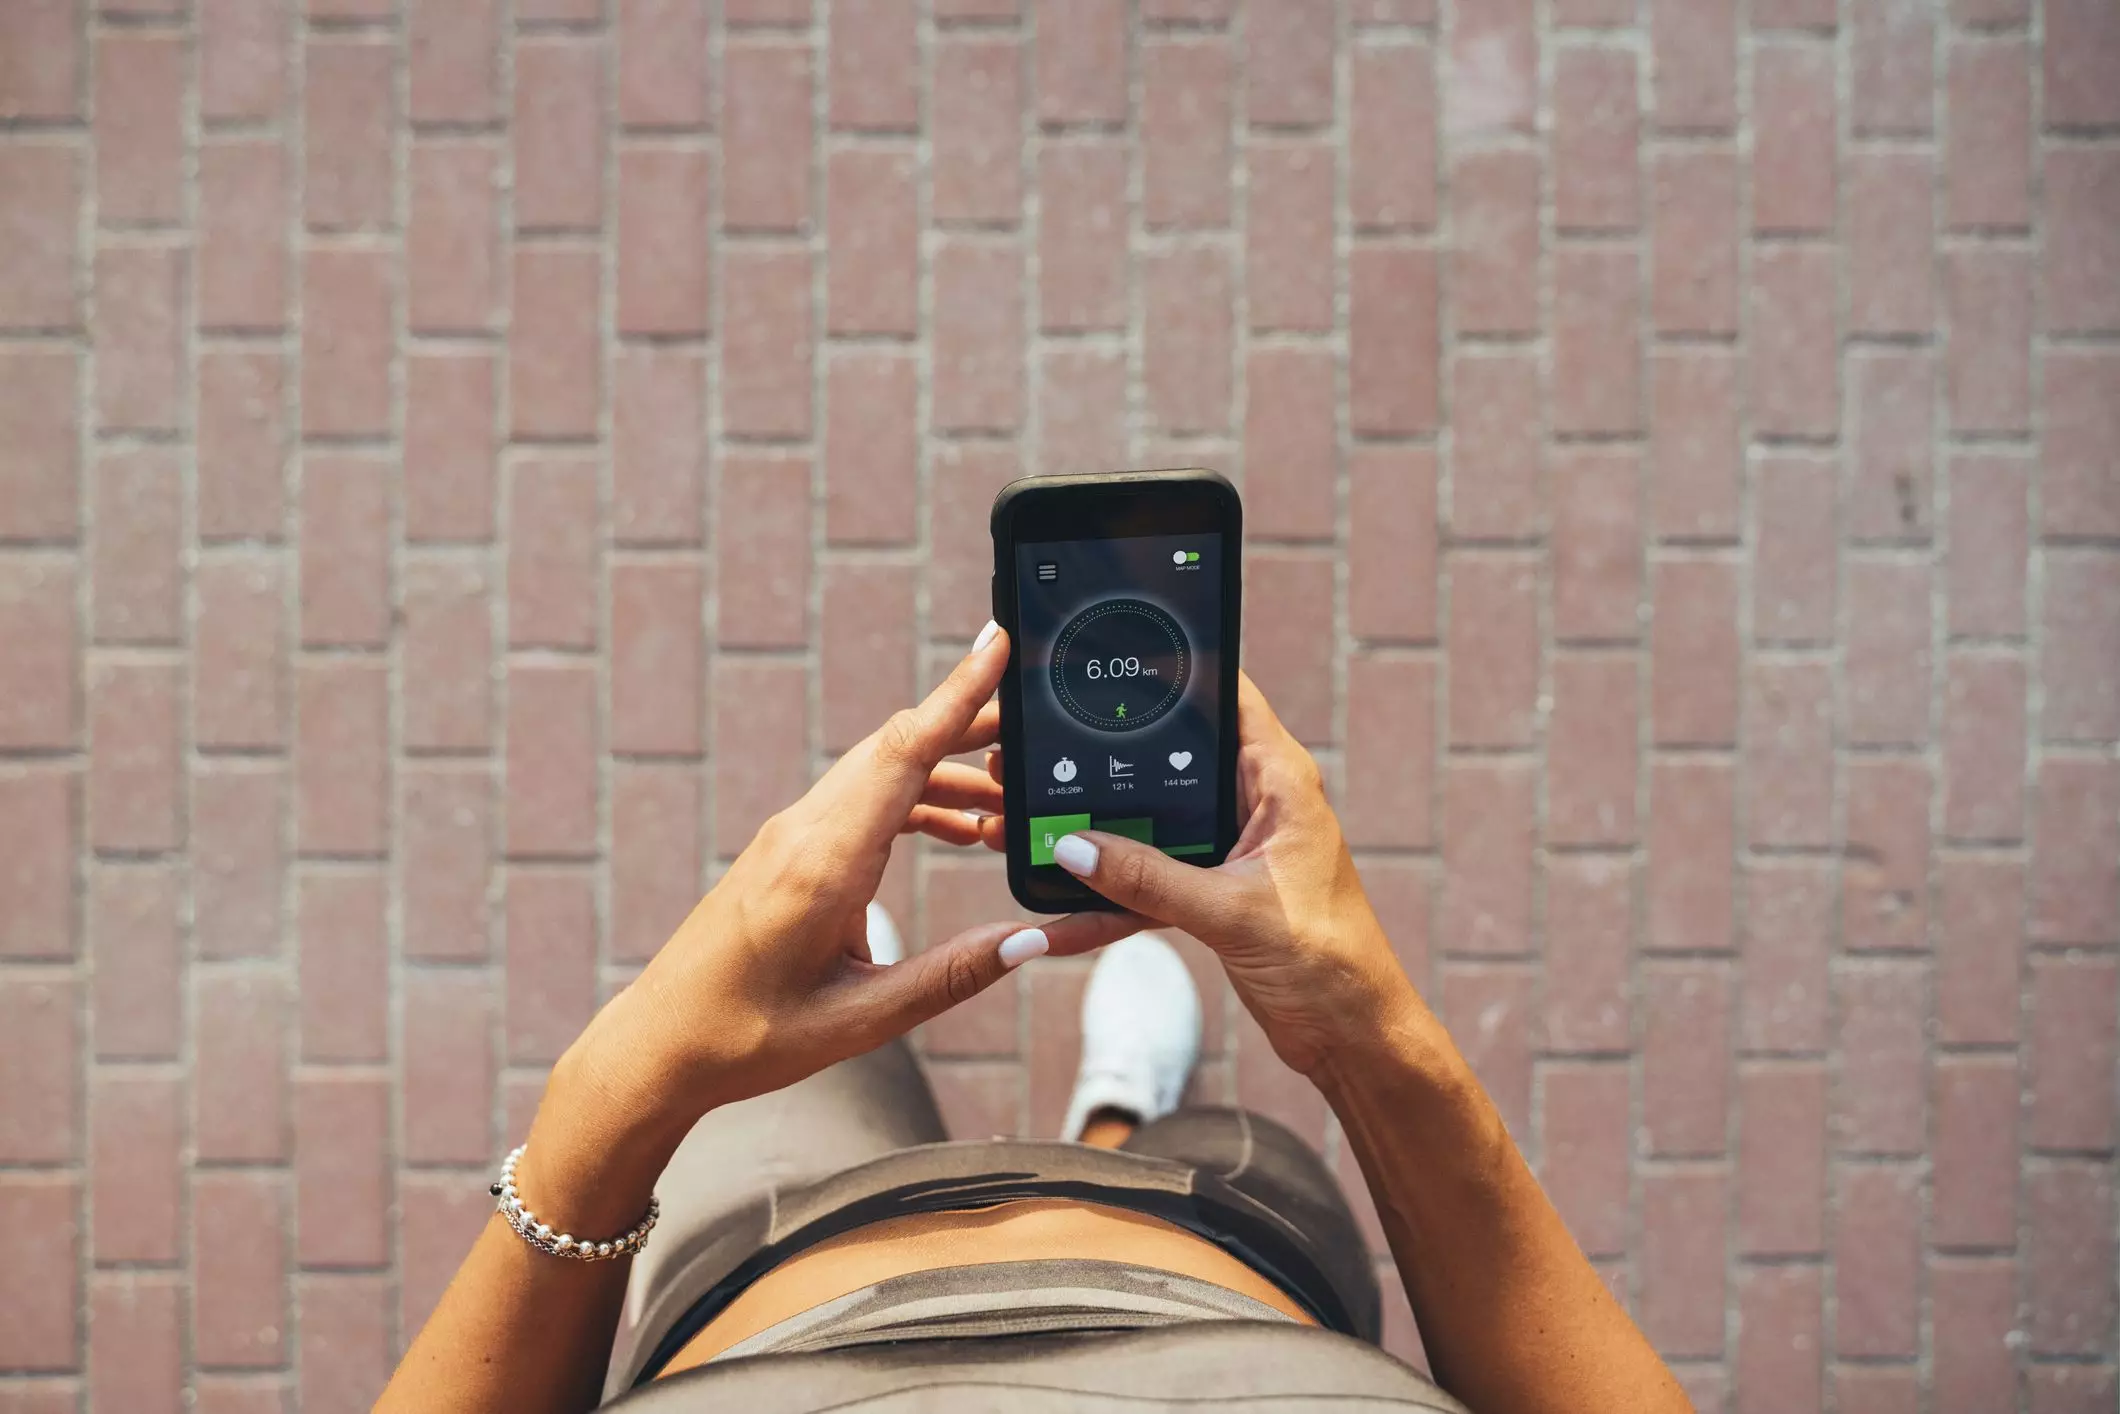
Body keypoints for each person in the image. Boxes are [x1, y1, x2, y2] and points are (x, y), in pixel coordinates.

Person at [379, 625, 1688, 1413]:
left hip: (768, 1271)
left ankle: (860, 1016)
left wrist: (626, 1081)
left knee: (786, 1088)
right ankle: (1112, 1113)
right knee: (1226, 1135)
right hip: (1212, 1241)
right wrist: (1366, 1029)